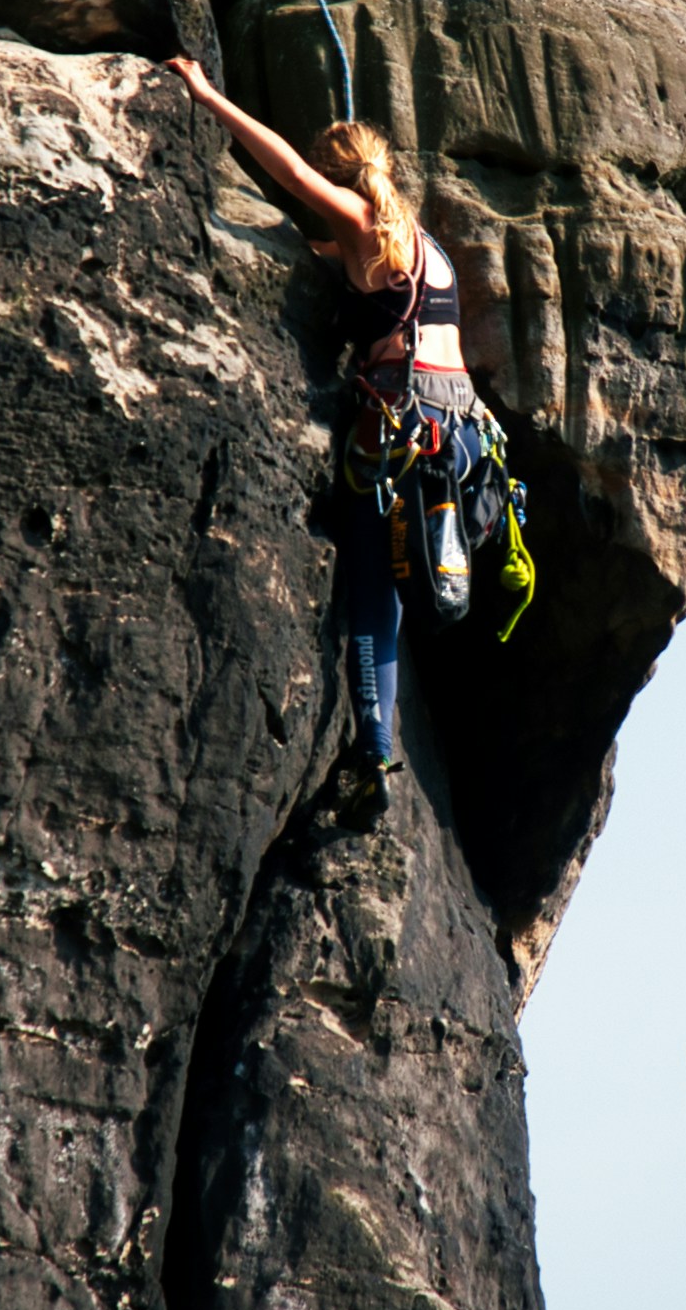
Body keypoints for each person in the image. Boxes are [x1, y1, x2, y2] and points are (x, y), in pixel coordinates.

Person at [167, 55, 475, 816]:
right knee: (406, 585)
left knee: (374, 589)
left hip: (404, 426)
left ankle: (372, 754)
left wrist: (207, 96)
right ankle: (375, 744)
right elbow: (331, 259)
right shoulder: (419, 245)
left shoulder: (365, 225)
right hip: (460, 426)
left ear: (346, 181)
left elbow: (296, 178)